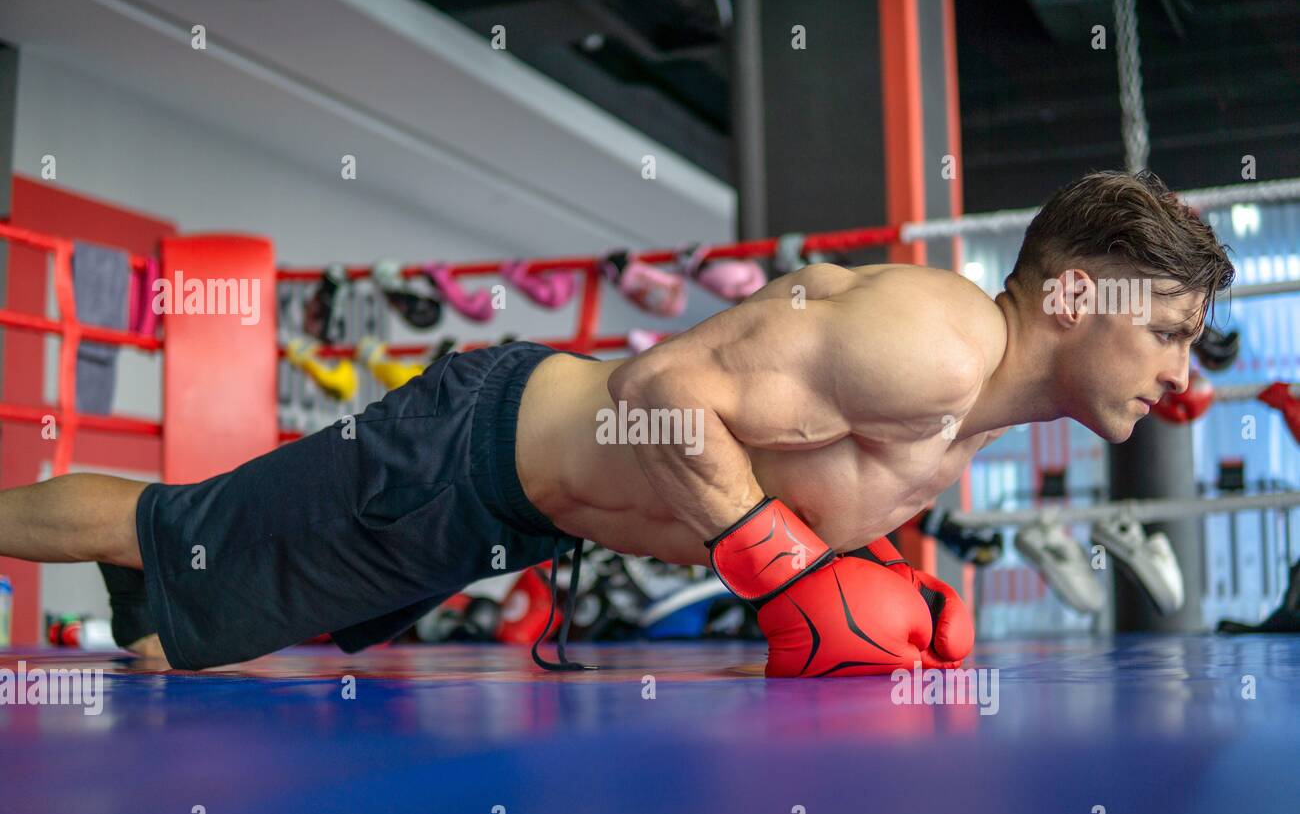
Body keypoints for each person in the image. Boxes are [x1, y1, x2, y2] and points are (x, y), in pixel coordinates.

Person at [0, 170, 1234, 675]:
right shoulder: (933, 340)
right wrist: (777, 563)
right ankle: (124, 558)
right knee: (167, 520)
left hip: (507, 518)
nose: (1179, 374)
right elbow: (657, 396)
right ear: (1077, 293)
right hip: (471, 454)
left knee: (209, 631)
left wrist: (876, 584)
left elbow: (781, 486)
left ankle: (142, 609)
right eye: (1169, 329)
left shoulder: (968, 418)